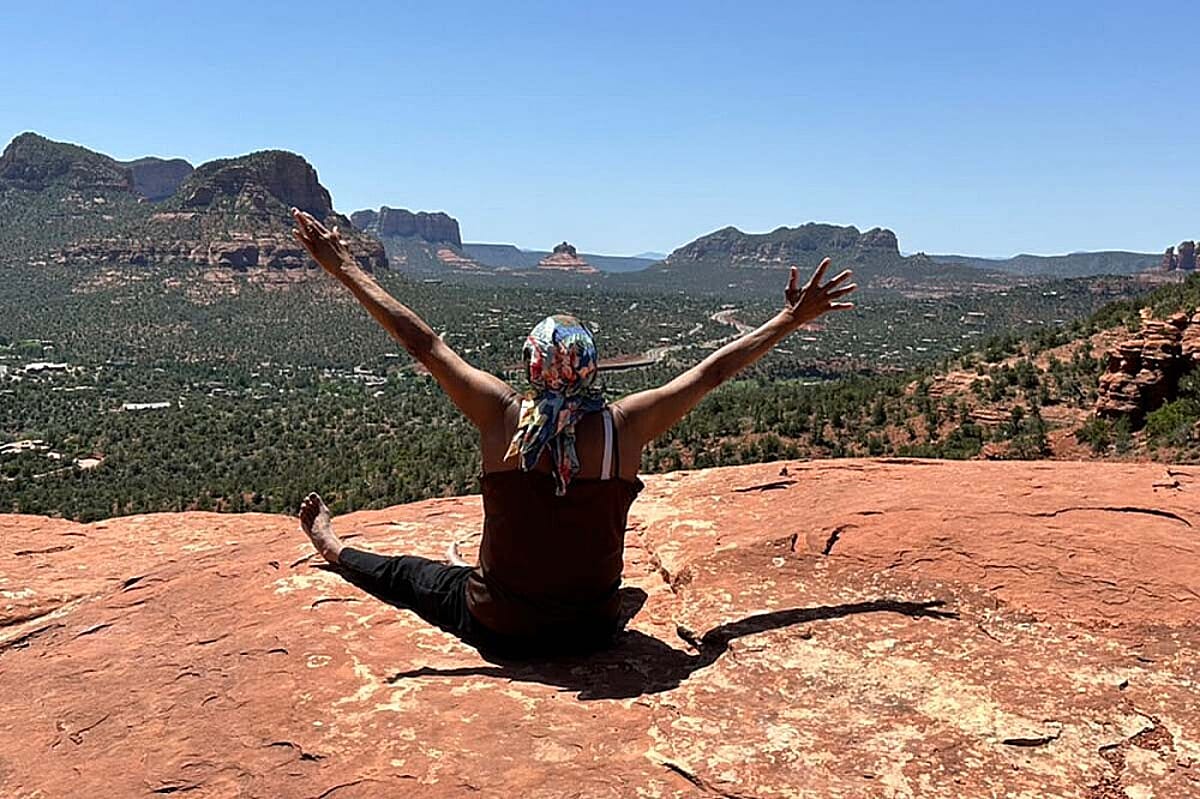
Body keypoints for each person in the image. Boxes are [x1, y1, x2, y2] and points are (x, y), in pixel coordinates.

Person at [290, 207, 856, 655]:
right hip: (591, 628)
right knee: (629, 593)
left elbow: (426, 344)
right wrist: (789, 320)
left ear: (533, 366)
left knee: (411, 575)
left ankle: (333, 547)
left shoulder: (501, 414)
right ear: (590, 365)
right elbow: (711, 372)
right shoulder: (625, 426)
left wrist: (346, 268)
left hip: (502, 627)